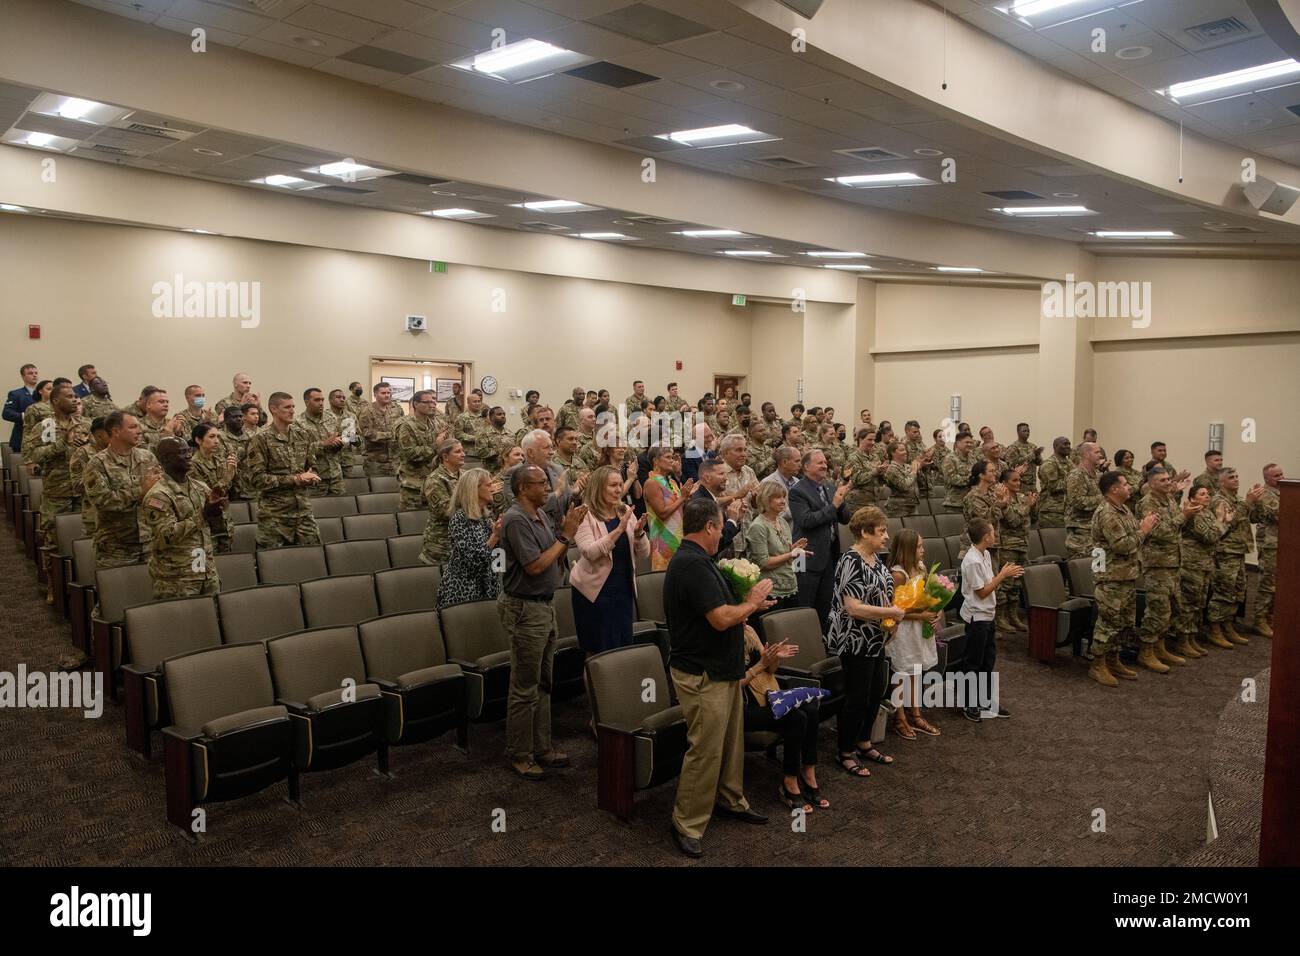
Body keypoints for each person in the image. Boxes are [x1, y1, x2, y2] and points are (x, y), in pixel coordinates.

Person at [665, 496, 774, 858]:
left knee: (730, 742)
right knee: (706, 750)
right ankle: (687, 822)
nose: (723, 531)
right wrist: (753, 602)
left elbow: (724, 612)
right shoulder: (691, 566)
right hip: (701, 672)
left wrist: (747, 605)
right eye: (721, 524)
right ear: (709, 526)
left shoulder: (701, 561)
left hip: (721, 668)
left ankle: (730, 799)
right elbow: (720, 618)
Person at [498, 465, 586, 780]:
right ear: (523, 488)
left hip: (544, 606)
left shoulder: (539, 515)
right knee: (524, 686)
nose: (547, 488)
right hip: (526, 608)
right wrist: (566, 535)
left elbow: (555, 552)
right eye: (541, 484)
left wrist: (566, 532)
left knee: (545, 683)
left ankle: (542, 747)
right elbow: (535, 565)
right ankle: (520, 754)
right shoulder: (516, 520)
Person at [826, 505, 904, 778]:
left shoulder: (876, 559)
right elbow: (853, 608)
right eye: (881, 531)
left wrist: (892, 618)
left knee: (874, 693)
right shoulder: (851, 560)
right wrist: (890, 613)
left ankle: (864, 742)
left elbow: (883, 596)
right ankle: (845, 752)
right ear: (864, 532)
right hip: (854, 639)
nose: (886, 536)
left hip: (874, 638)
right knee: (856, 696)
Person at [740, 624, 826, 814]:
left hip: (767, 695)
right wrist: (761, 664)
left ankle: (808, 771)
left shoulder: (749, 631)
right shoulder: (725, 638)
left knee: (811, 708)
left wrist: (774, 658)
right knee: (796, 717)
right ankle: (789, 782)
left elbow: (770, 670)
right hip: (743, 707)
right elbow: (731, 684)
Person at [1087, 471, 1158, 686]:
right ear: (1114, 489)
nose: (1130, 487)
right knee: (1108, 622)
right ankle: (1097, 664)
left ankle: (1113, 659)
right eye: (1125, 484)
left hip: (1125, 574)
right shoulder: (1107, 513)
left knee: (1124, 622)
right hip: (1111, 577)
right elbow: (1122, 545)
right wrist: (1143, 530)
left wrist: (1143, 526)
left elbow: (1132, 536)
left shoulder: (1123, 509)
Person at [570, 465, 650, 653]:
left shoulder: (623, 510)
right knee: (599, 649)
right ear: (598, 487)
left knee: (622, 646)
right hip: (594, 592)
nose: (618, 490)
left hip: (623, 588)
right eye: (613, 485)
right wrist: (619, 530)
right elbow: (589, 552)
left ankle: (618, 683)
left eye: (621, 484)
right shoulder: (584, 514)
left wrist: (638, 534)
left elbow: (644, 554)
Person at [143, 437, 225, 598]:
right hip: (177, 578)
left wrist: (217, 513)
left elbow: (217, 528)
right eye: (182, 453)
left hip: (204, 570)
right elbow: (165, 536)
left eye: (189, 451)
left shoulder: (200, 487)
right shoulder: (158, 495)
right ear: (166, 459)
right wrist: (203, 514)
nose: (188, 456)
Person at [1135, 466, 1199, 671]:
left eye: (1169, 479)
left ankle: (1159, 647)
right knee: (1157, 609)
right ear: (1151, 483)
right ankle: (1146, 651)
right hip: (1157, 564)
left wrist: (1188, 514)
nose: (1168, 482)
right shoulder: (1148, 503)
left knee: (1170, 607)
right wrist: (1184, 516)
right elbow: (1160, 532)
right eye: (1162, 480)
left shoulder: (1170, 499)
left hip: (1173, 561)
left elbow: (1177, 527)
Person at [959, 517, 1021, 716]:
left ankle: (985, 700)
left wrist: (1001, 576)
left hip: (988, 615)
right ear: (986, 537)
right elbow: (982, 592)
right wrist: (1002, 575)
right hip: (977, 617)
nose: (995, 535)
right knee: (973, 662)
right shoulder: (972, 561)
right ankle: (968, 703)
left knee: (987, 660)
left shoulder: (984, 554)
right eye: (993, 532)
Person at [243, 392, 321, 548]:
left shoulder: (303, 435)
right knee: (273, 565)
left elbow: (313, 467)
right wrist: (296, 479)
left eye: (293, 406)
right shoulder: (261, 439)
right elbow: (257, 480)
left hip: (303, 512)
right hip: (274, 517)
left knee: (313, 559)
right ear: (273, 409)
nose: (292, 411)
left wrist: (312, 477)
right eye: (287, 407)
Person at [83, 411, 159, 568]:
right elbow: (103, 502)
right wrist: (140, 491)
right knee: (118, 591)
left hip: (149, 541)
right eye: (133, 427)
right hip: (116, 547)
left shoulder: (147, 457)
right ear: (116, 431)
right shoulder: (97, 464)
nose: (139, 431)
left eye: (139, 426)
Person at [886, 529, 942, 739]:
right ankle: (899, 718)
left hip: (919, 629)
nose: (923, 550)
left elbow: (928, 596)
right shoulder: (898, 574)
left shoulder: (920, 568)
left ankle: (915, 713)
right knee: (902, 674)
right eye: (919, 546)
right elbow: (893, 610)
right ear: (908, 549)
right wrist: (920, 616)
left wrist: (937, 609)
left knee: (916, 671)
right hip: (903, 631)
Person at [789, 448, 852, 630]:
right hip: (803, 556)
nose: (825, 465)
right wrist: (834, 506)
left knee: (825, 607)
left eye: (825, 462)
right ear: (807, 467)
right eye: (820, 463)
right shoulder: (797, 491)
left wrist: (840, 503)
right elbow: (806, 521)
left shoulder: (830, 487)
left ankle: (822, 646)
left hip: (829, 556)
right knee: (803, 607)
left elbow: (845, 519)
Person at [1208, 469, 1263, 647]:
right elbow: (1225, 524)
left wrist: (1257, 502)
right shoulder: (1219, 500)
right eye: (1231, 477)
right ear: (1221, 482)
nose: (1236, 480)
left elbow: (1254, 518)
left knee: (1237, 591)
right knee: (1223, 590)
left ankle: (1228, 625)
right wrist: (1247, 503)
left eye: (1237, 476)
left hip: (1239, 550)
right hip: (1226, 551)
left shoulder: (1238, 499)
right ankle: (1215, 629)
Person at [436, 468, 503, 609]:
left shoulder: (486, 518)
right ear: (474, 489)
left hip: (490, 588)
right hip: (464, 591)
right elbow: (473, 562)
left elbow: (498, 562)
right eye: (489, 485)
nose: (493, 488)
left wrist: (501, 540)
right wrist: (495, 537)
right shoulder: (460, 520)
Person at [1176, 486, 1231, 655]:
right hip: (1193, 564)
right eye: (1202, 494)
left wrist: (1221, 523)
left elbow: (1216, 536)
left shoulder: (1206, 513)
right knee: (1189, 603)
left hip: (1205, 563)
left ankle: (1192, 637)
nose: (1207, 496)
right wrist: (1222, 521)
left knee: (1199, 603)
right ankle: (1183, 640)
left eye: (1208, 493)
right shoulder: (1195, 514)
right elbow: (1210, 536)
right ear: (1192, 498)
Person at [744, 481, 805, 630]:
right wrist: (791, 553)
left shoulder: (782, 521)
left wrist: (794, 548)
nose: (783, 501)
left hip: (790, 585)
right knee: (773, 637)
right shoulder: (758, 526)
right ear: (766, 499)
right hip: (770, 591)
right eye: (778, 497)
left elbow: (782, 552)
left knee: (791, 634)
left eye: (784, 497)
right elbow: (763, 562)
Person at [995, 467, 1035, 632]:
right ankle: (1001, 619)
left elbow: (1027, 521)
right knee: (1006, 584)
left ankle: (1013, 616)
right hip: (1007, 546)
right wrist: (1027, 507)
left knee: (1017, 584)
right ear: (1004, 483)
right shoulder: (1001, 499)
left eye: (1019, 480)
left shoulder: (1021, 498)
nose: (1019, 483)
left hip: (1022, 544)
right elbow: (1013, 520)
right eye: (1014, 480)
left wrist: (1029, 507)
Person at [188, 422, 238, 553]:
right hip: (207, 524)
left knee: (228, 561)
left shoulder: (219, 460)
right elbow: (207, 495)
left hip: (225, 521)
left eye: (217, 437)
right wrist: (227, 477)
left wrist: (230, 475)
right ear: (198, 440)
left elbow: (227, 489)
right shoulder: (193, 465)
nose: (216, 441)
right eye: (211, 437)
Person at [395, 389, 447, 511]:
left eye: (433, 401)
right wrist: (436, 446)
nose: (432, 405)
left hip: (433, 482)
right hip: (413, 484)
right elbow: (410, 453)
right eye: (427, 402)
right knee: (412, 521)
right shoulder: (407, 426)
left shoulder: (435, 424)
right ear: (416, 404)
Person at [644, 446, 693, 571]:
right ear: (655, 461)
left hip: (679, 538)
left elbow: (678, 507)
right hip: (662, 542)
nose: (672, 460)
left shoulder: (672, 482)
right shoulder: (651, 483)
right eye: (668, 457)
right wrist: (682, 498)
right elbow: (663, 513)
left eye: (672, 457)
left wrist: (687, 497)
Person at [1249, 464, 1282, 637]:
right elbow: (1277, 514)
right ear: (1267, 479)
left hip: (1283, 543)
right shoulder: (1265, 494)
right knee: (1267, 583)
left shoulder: (1284, 492)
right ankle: (1259, 619)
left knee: (1280, 584)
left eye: (1281, 474)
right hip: (1270, 544)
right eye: (1276, 475)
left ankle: (1272, 616)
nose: (1281, 477)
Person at [419, 439, 465, 565]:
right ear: (445, 457)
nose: (463, 454)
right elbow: (445, 512)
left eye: (462, 450)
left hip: (462, 543)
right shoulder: (434, 480)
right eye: (458, 451)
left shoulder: (465, 476)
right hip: (441, 547)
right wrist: (474, 501)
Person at [298, 387, 345, 497]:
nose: (321, 403)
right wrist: (323, 444)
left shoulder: (332, 418)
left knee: (342, 508)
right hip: (315, 478)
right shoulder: (298, 423)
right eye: (317, 400)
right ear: (306, 402)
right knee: (319, 511)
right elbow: (299, 451)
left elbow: (343, 437)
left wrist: (340, 441)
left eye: (322, 400)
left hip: (336, 475)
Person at [692, 457, 744, 558]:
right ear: (707, 477)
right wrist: (731, 520)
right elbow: (715, 543)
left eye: (725, 474)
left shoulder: (709, 498)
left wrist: (736, 518)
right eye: (721, 474)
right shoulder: (701, 503)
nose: (726, 478)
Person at [1064, 441, 1103, 558]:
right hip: (1081, 534)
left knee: (1099, 570)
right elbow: (1077, 501)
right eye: (1097, 452)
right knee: (1084, 573)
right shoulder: (1077, 475)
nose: (1100, 455)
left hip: (1094, 530)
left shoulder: (1095, 475)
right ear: (1087, 455)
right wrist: (1103, 498)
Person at [358, 382, 404, 477]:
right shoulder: (367, 411)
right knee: (377, 489)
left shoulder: (397, 409)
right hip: (376, 461)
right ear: (375, 394)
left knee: (395, 490)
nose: (387, 395)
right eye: (383, 393)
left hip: (396, 460)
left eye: (388, 392)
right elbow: (367, 433)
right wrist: (390, 435)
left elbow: (402, 427)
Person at [1036, 437, 1072, 528]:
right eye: (1065, 444)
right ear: (1056, 446)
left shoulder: (1070, 464)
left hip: (1067, 511)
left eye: (1069, 444)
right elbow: (1054, 486)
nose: (1068, 446)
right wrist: (1074, 482)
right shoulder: (1049, 464)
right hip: (1051, 513)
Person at [4, 363, 39, 452]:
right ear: (23, 377)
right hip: (22, 438)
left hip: (41, 439)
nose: (34, 375)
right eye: (30, 373)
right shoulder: (16, 394)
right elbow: (7, 413)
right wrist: (25, 416)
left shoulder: (43, 394)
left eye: (36, 373)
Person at [941, 432, 976, 515]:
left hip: (970, 503)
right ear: (957, 443)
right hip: (954, 504)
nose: (970, 444)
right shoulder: (949, 459)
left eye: (971, 442)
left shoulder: (972, 458)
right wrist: (972, 480)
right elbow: (952, 479)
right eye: (967, 442)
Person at [1004, 423, 1042, 491]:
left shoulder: (1033, 446)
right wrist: (1031, 455)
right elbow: (1010, 466)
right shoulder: (1013, 448)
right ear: (1018, 432)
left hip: (1032, 484)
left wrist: (1038, 454)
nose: (1027, 433)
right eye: (1024, 431)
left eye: (1028, 431)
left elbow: (1039, 463)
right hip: (1020, 485)